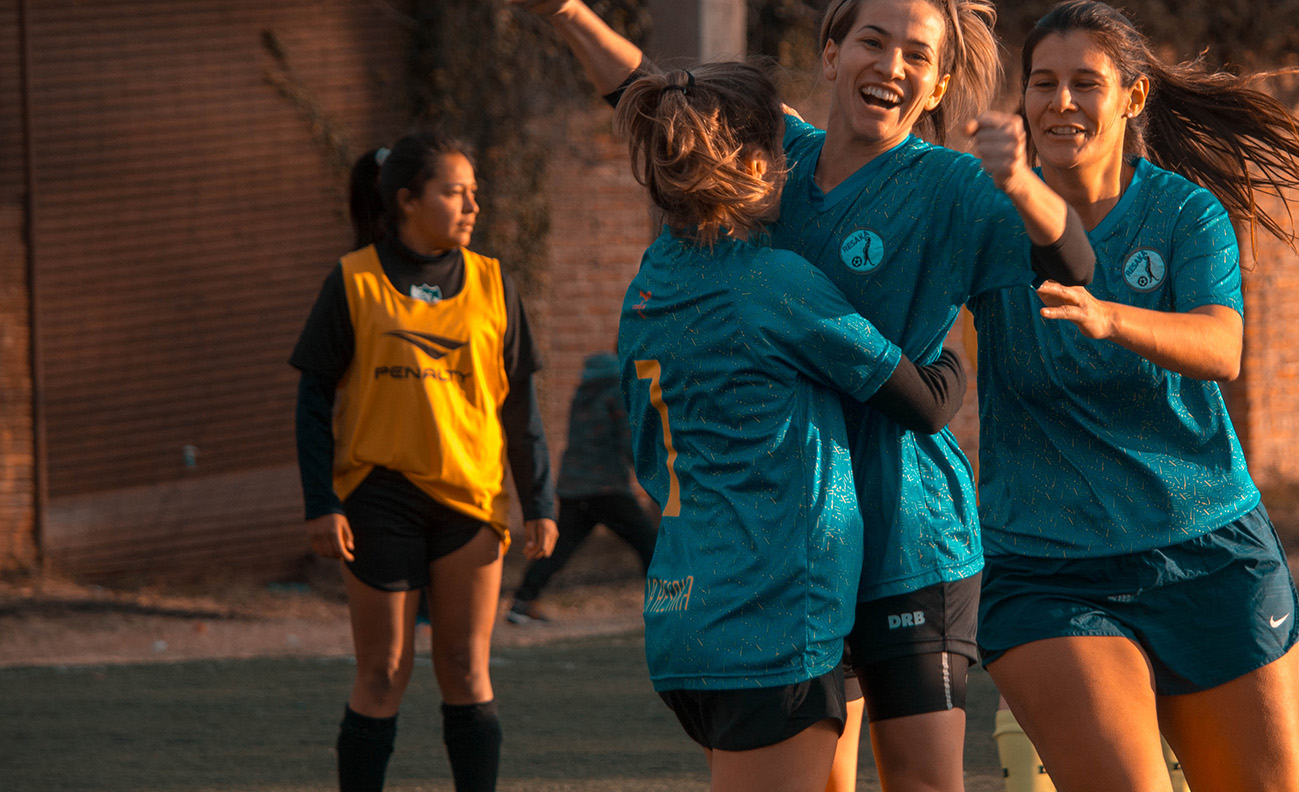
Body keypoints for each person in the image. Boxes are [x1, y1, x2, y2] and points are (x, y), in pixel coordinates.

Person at [506, 0, 1094, 792]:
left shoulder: (954, 186)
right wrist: (565, 11)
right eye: (873, 40)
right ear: (831, 53)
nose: (892, 64)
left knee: (924, 782)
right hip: (790, 548)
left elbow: (1071, 265)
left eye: (918, 55)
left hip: (907, 535)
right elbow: (651, 90)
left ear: (938, 85)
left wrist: (1023, 185)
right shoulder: (775, 157)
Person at [969, 0, 1299, 792]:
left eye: (1084, 83)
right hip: (1046, 570)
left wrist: (1111, 317)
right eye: (1042, 83)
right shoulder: (985, 212)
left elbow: (1220, 346)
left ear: (1133, 98)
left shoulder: (1183, 212)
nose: (1060, 102)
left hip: (1209, 550)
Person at [612, 61, 971, 792]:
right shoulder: (770, 281)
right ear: (750, 165)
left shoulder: (649, 280)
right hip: (768, 622)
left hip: (687, 610)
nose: (793, 166)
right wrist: (953, 354)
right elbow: (926, 401)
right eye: (779, 150)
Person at [290, 134, 559, 792]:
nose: (471, 205)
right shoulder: (353, 279)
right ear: (407, 201)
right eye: (453, 192)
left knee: (467, 673)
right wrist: (322, 503)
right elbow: (312, 402)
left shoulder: (495, 282)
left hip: (471, 501)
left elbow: (518, 408)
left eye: (473, 193)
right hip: (377, 498)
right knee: (382, 673)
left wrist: (542, 503)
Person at [507, 350, 655, 624]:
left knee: (559, 548)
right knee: (648, 542)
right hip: (605, 487)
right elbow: (627, 441)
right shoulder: (616, 394)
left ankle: (522, 601)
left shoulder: (583, 394)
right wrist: (649, 471)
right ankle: (663, 599)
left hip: (574, 485)